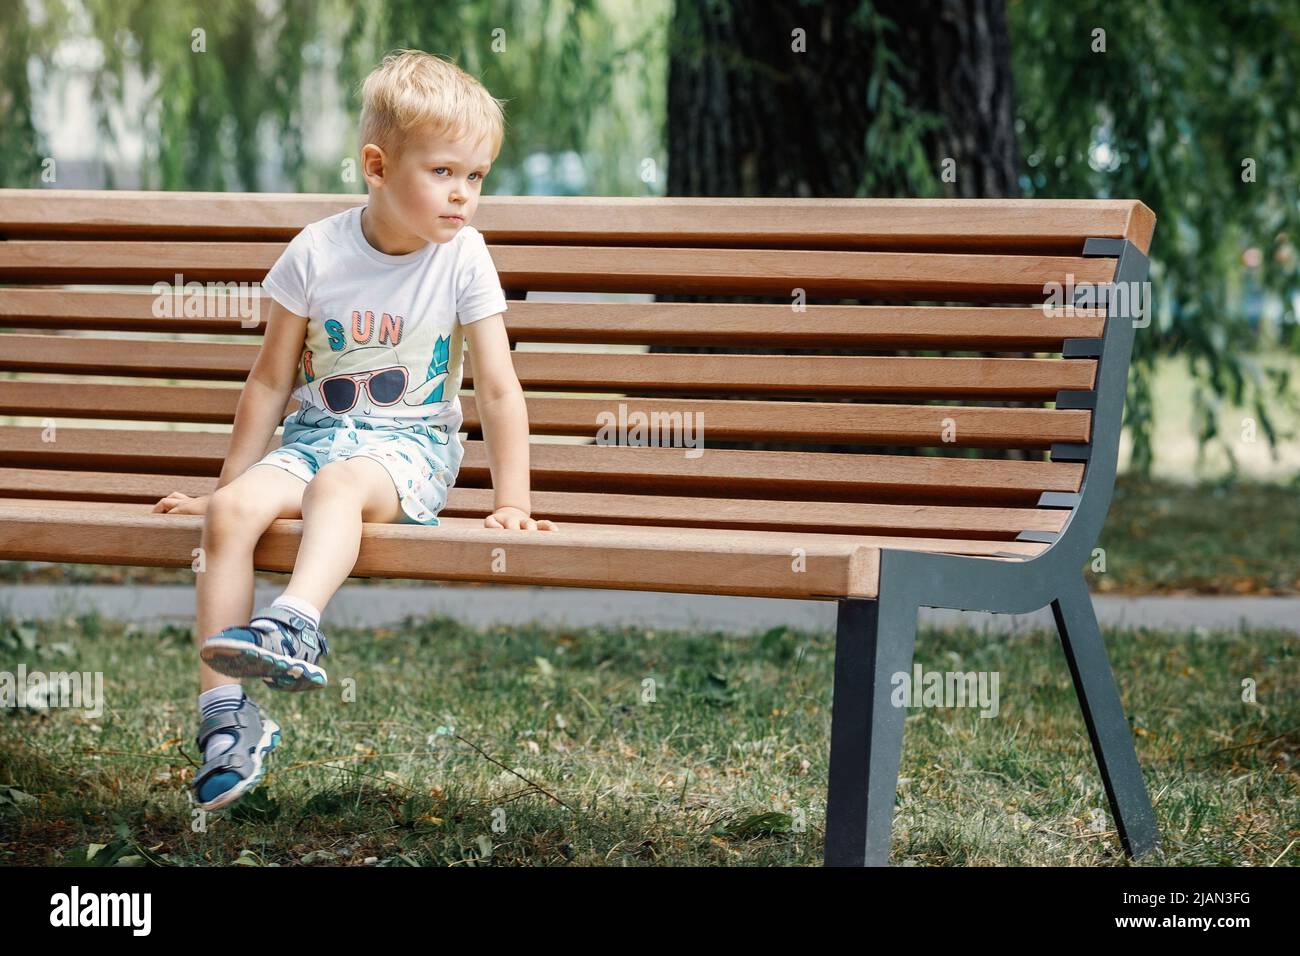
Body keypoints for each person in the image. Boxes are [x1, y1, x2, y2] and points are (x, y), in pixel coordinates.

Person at [151, 49, 558, 811]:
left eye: (476, 177)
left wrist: (511, 499)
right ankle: (226, 723)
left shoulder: (464, 258)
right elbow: (271, 380)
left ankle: (296, 625)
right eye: (442, 173)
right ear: (377, 165)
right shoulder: (316, 252)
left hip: (407, 452)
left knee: (338, 487)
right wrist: (224, 485)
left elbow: (499, 390)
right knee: (233, 513)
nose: (463, 196)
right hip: (312, 437)